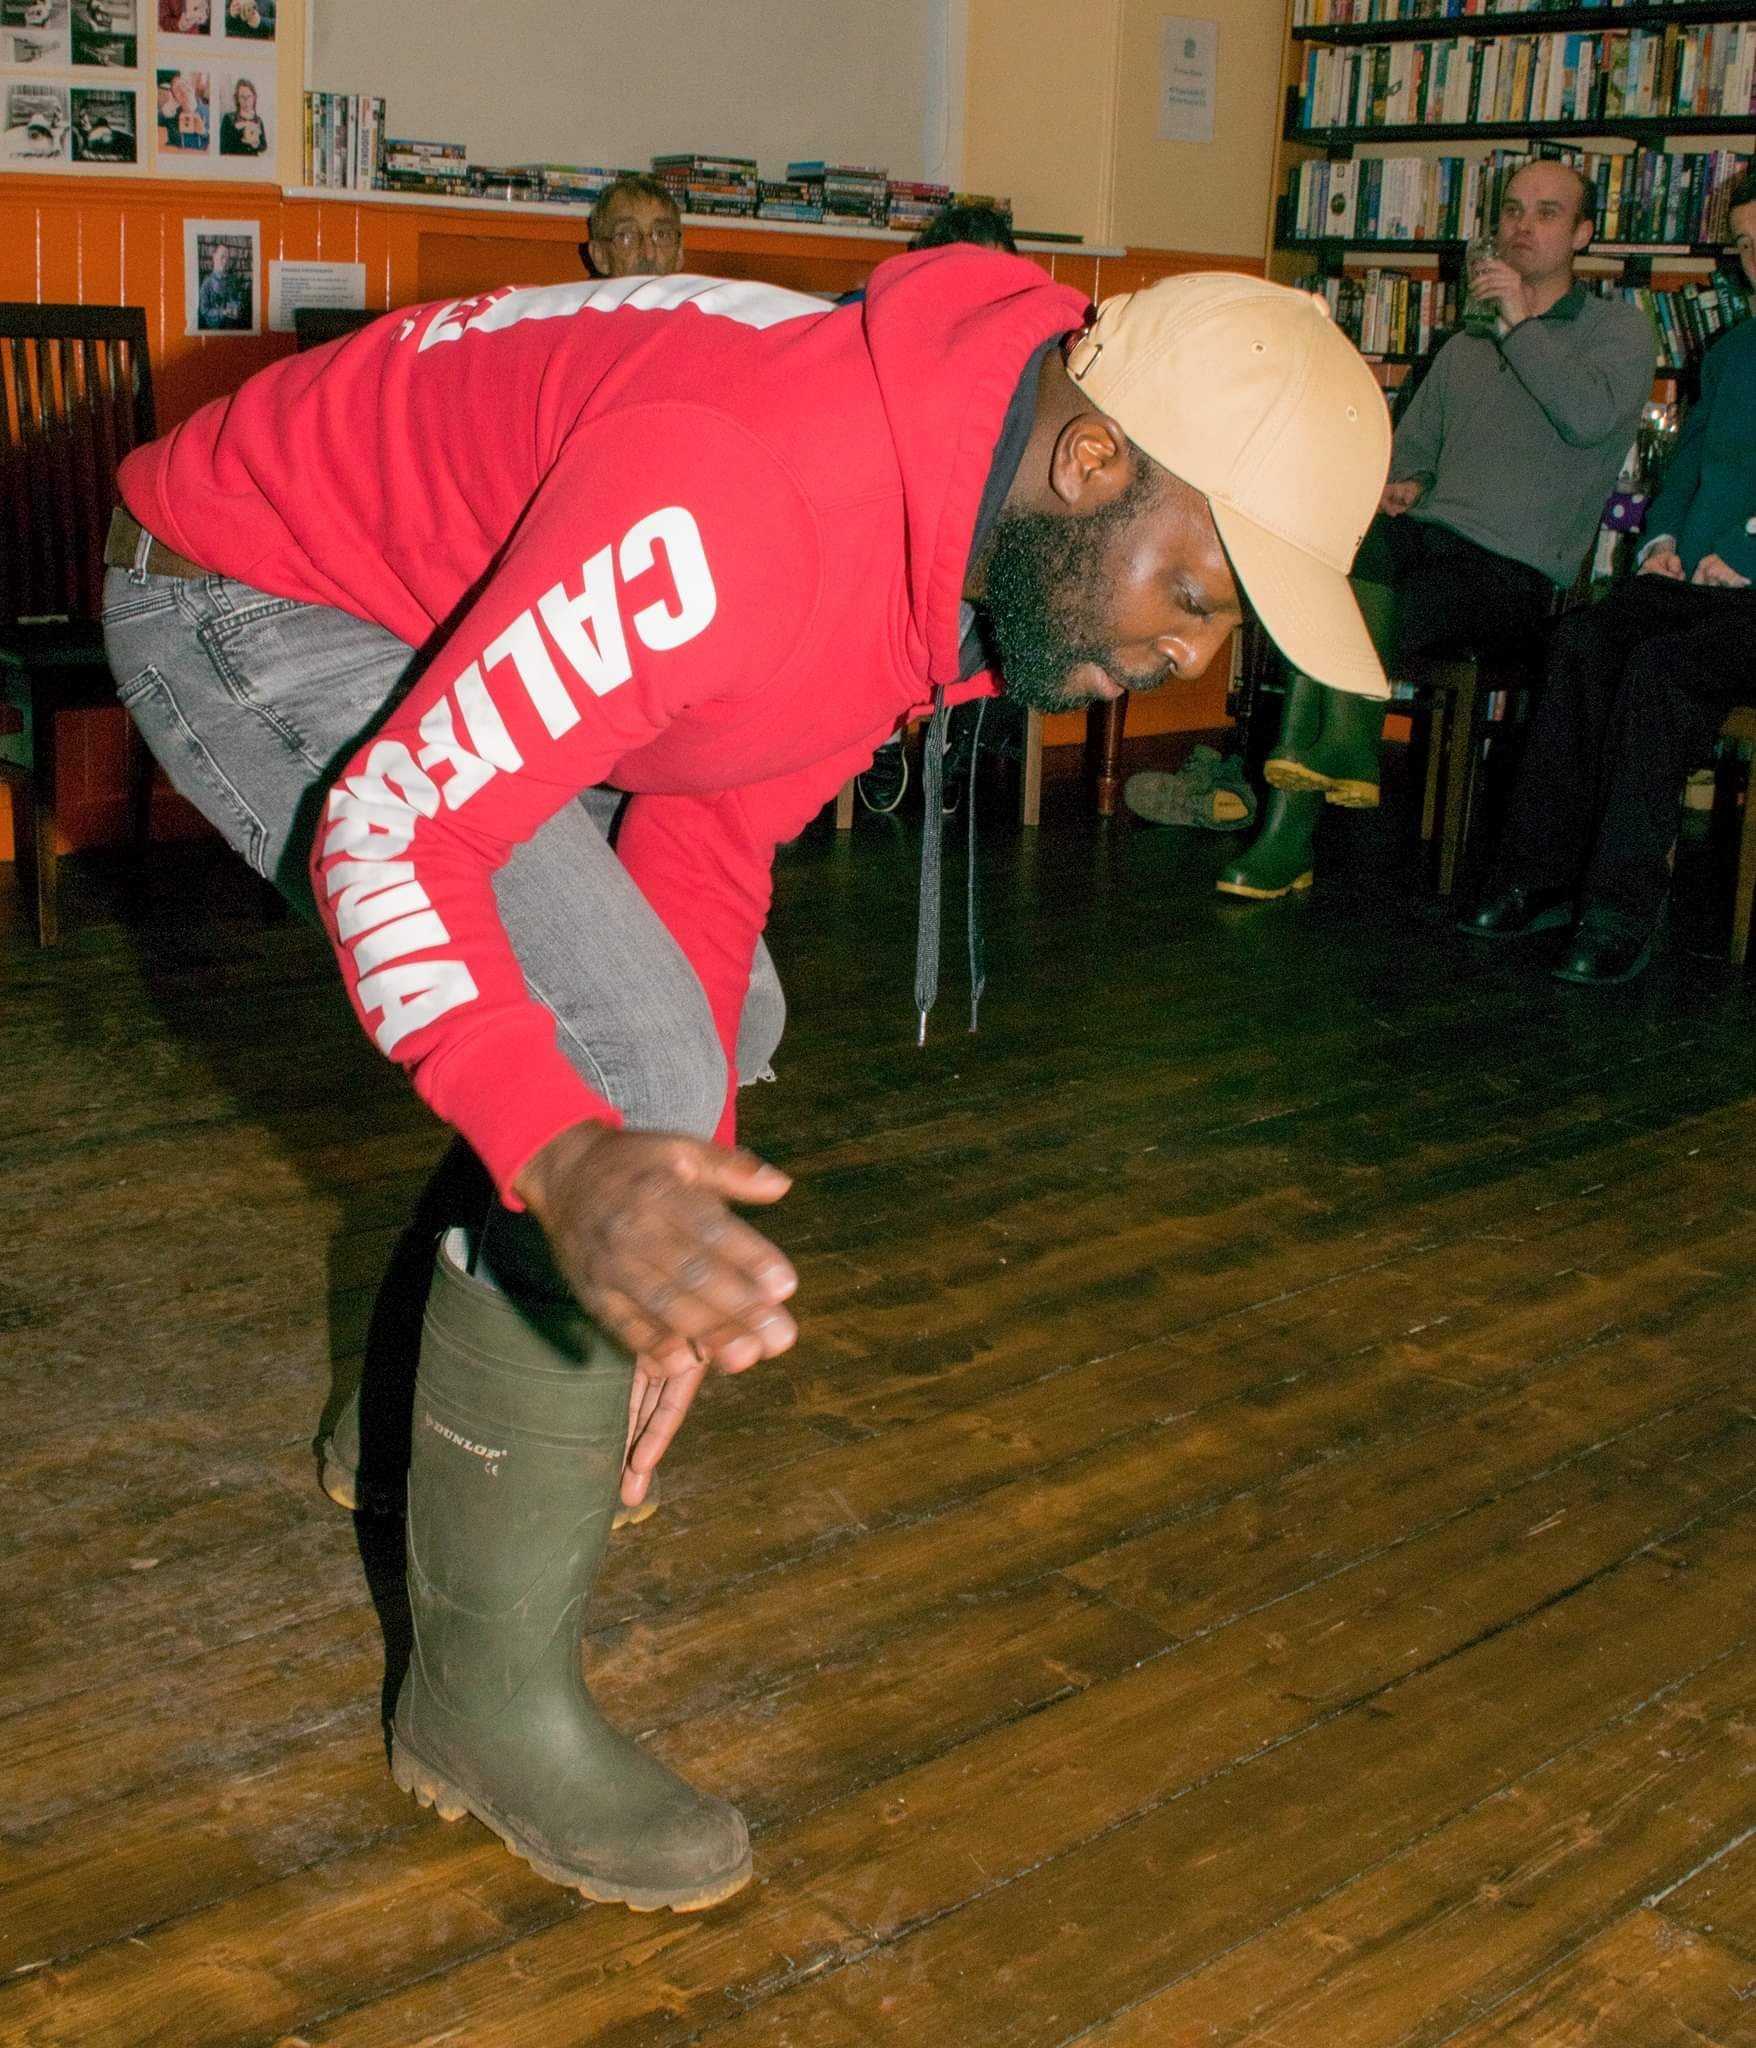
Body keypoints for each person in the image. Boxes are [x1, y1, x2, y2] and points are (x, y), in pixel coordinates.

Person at [103, 258, 1389, 1914]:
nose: (1190, 659)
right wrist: (577, 1164)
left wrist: (668, 1215)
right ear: (1092, 465)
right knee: (602, 1057)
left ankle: (421, 1422)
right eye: (1202, 592)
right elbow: (392, 826)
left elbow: (706, 822)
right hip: (247, 588)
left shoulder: (950, 505)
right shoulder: (759, 497)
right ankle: (477, 1707)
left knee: (680, 1040)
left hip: (422, 586)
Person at [1202, 159, 1652, 901]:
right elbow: (1409, 455)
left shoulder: (1615, 333)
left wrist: (1519, 325)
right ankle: (1346, 744)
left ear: (1584, 234)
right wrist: (1406, 484)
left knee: (1342, 624)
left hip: (1517, 574)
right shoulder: (1466, 346)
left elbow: (1588, 419)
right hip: (1432, 538)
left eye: (1545, 213)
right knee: (1329, 560)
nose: (1522, 226)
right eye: (1511, 210)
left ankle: (1288, 836)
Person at [1459, 177, 1756, 983]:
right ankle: (1537, 875)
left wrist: (1748, 552)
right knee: (1585, 640)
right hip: (1698, 581)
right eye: (1746, 244)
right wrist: (1661, 539)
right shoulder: (1732, 352)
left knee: (1663, 672)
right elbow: (1689, 469)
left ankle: (1620, 909)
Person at [855, 200, 1022, 817]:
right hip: (896, 549)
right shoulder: (884, 329)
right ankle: (878, 738)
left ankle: (957, 746)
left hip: (978, 560)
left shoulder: (1033, 360)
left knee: (1018, 585)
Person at [579, 171, 684, 280]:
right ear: (599, 255)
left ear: (679, 251)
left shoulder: (700, 295)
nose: (649, 255)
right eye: (628, 236)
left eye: (662, 234)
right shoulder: (570, 297)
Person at [196, 238, 247, 327]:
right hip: (215, 329)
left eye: (227, 258)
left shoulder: (232, 280)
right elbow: (204, 311)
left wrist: (239, 305)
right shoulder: (206, 283)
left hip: (232, 327)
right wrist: (222, 312)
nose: (225, 262)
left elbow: (237, 299)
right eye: (222, 257)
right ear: (214, 257)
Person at [218, 75, 264, 155]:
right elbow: (222, 148)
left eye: (249, 96)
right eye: (242, 97)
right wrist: (236, 130)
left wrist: (255, 144)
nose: (246, 101)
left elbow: (264, 146)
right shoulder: (228, 118)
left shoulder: (258, 120)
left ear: (254, 97)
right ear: (237, 99)